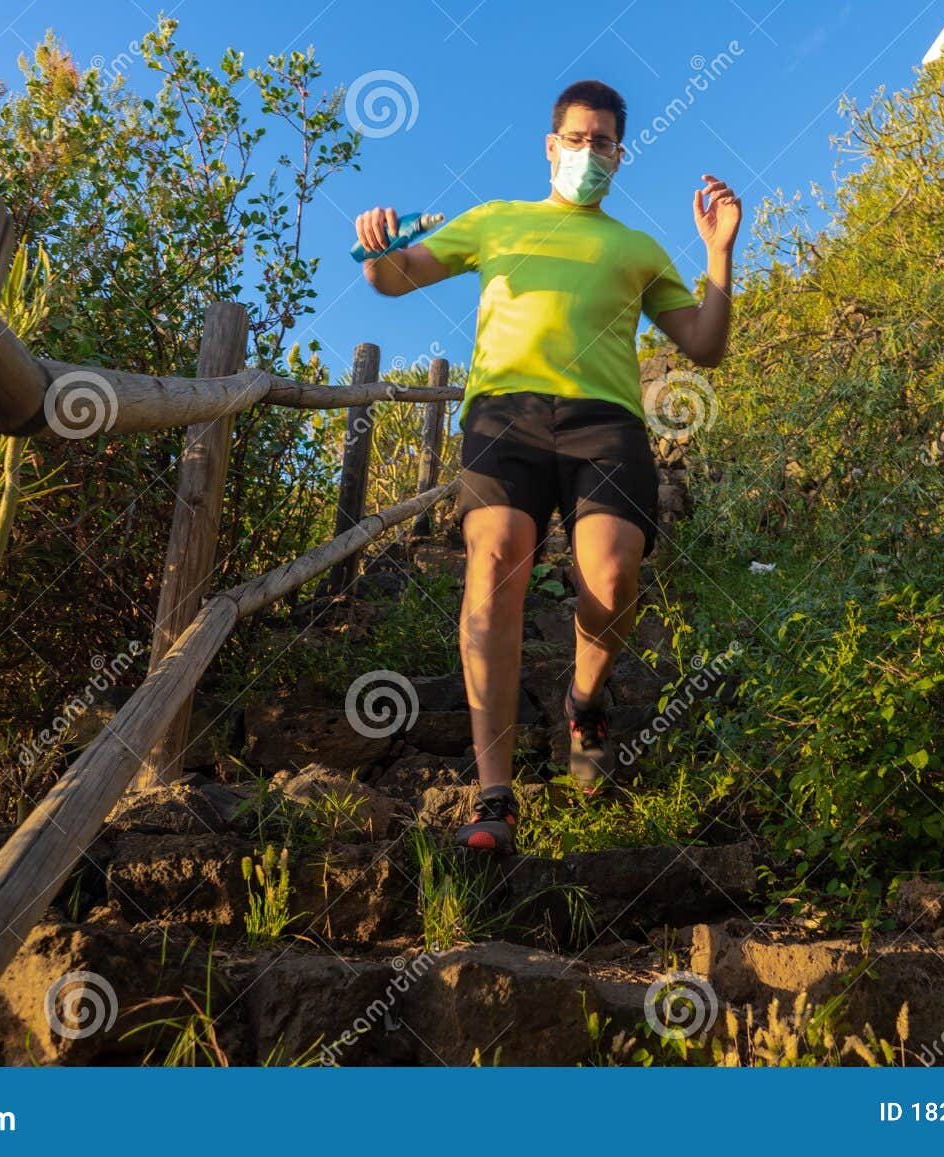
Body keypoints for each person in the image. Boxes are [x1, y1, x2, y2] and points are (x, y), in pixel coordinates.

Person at [355, 79, 740, 853]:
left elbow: (705, 346)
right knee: (494, 557)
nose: (588, 152)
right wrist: (375, 247)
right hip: (506, 416)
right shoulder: (495, 220)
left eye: (603, 142)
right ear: (550, 145)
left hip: (607, 423)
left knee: (613, 575)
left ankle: (585, 699)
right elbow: (394, 280)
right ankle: (494, 794)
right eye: (577, 138)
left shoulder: (637, 249)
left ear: (620, 155)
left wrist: (719, 254)